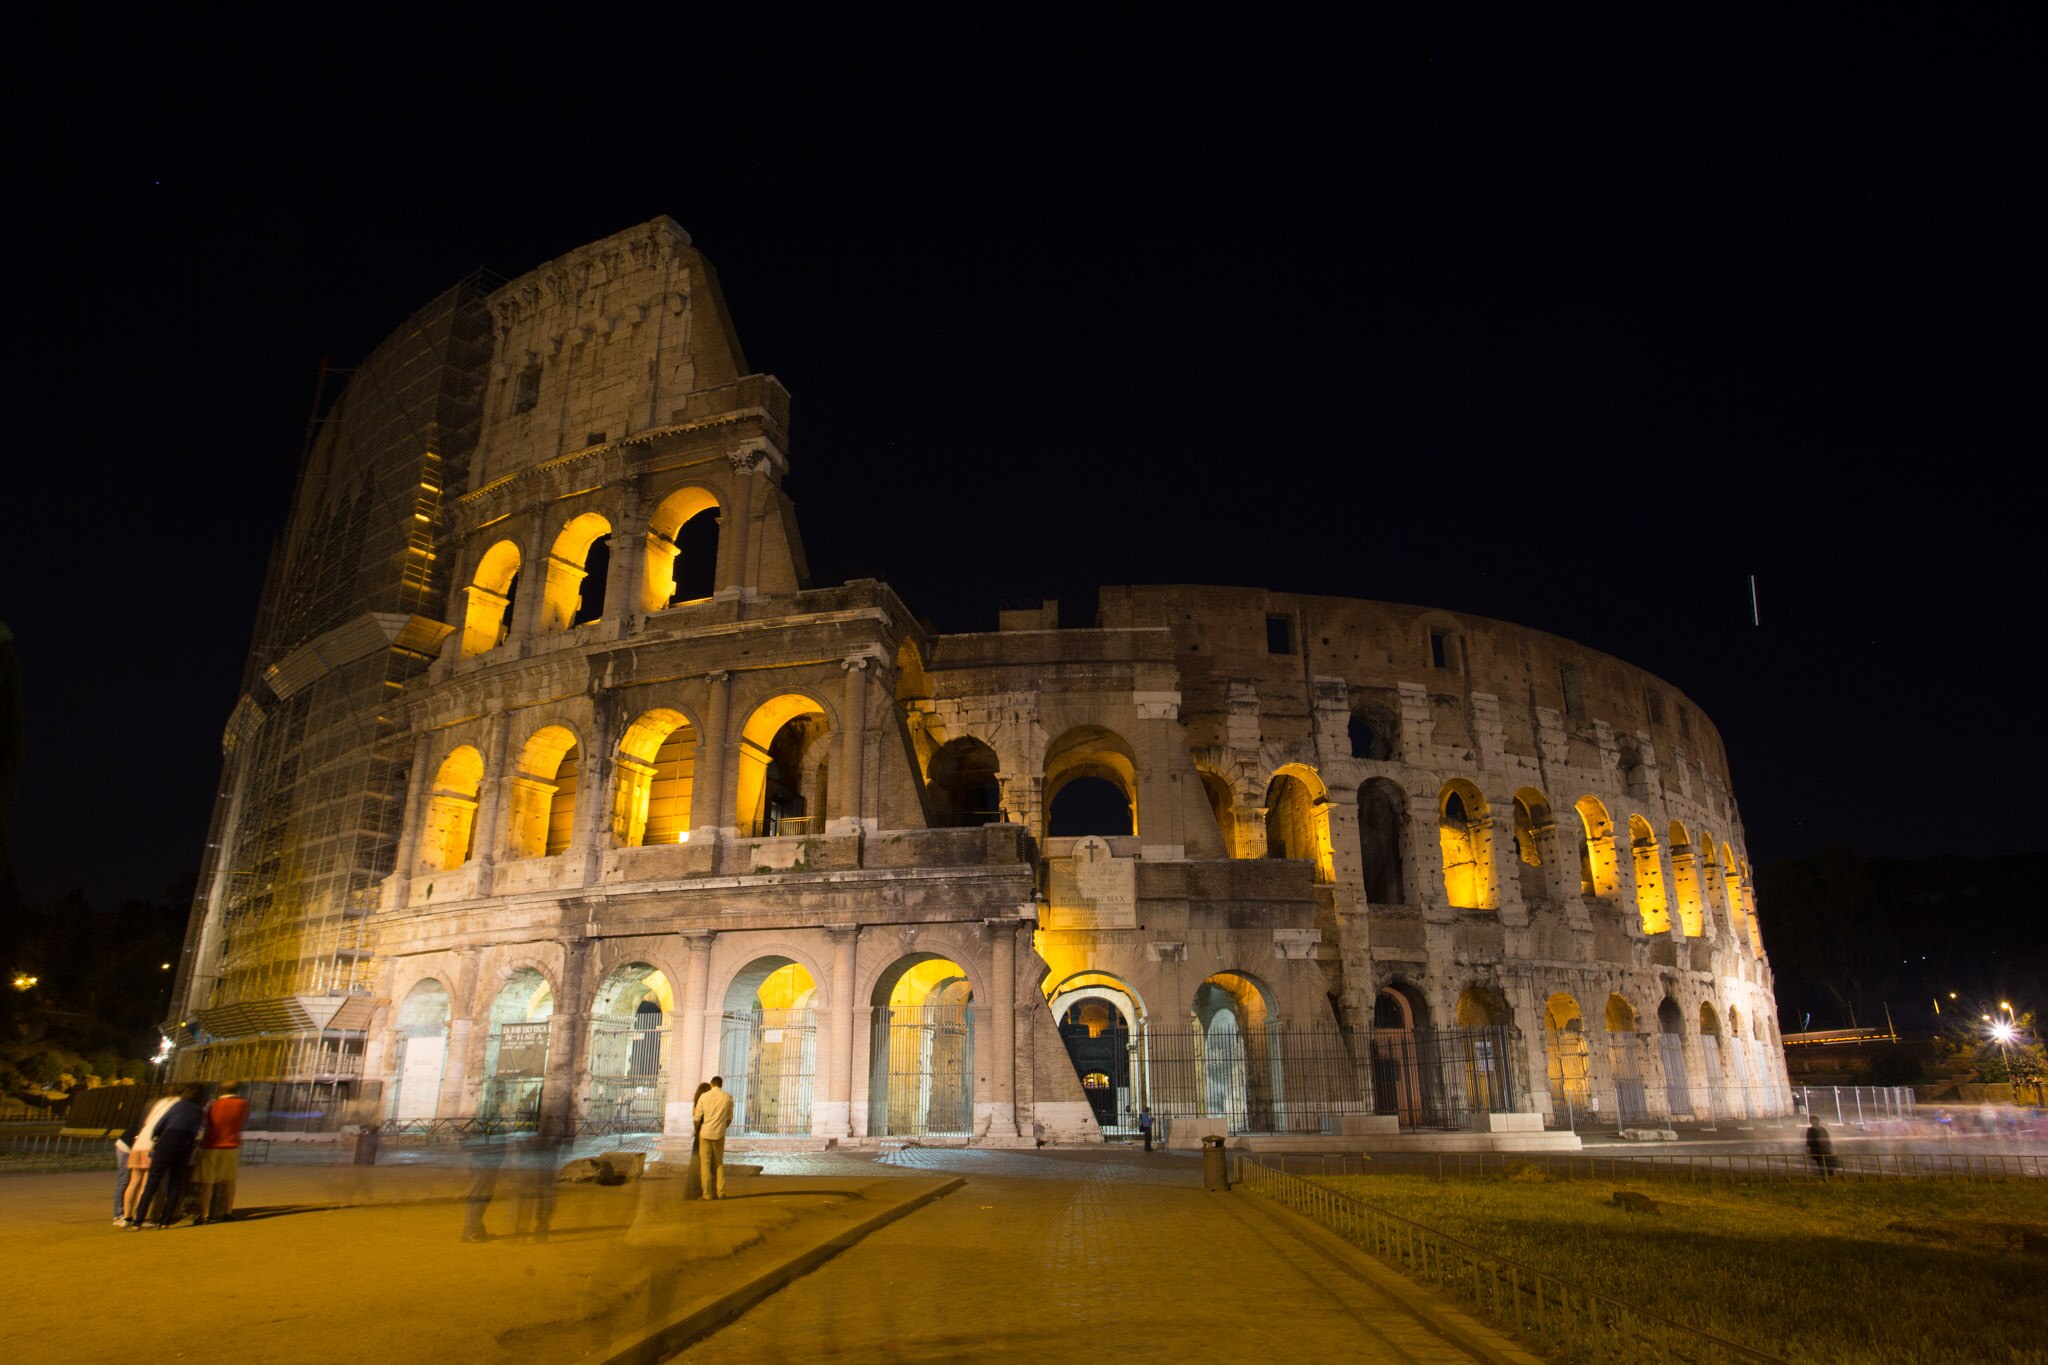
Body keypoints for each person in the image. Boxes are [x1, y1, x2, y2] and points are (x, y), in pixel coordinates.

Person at [136, 1084, 208, 1227]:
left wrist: (155, 1137)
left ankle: (138, 1221)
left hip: (167, 1141)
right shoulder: (199, 1111)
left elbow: (161, 1124)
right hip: (186, 1144)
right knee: (175, 1183)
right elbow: (198, 1130)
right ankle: (166, 1221)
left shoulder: (178, 1105)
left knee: (153, 1181)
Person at [192, 1080, 249, 1224]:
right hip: (231, 1144)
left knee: (207, 1181)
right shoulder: (242, 1104)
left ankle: (204, 1214)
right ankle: (227, 1212)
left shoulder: (213, 1104)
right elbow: (243, 1121)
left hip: (212, 1144)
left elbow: (206, 1123)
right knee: (230, 1180)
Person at [123, 1093, 179, 1227]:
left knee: (133, 1182)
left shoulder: (156, 1106)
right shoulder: (173, 1109)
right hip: (150, 1147)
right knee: (145, 1184)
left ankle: (126, 1218)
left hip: (138, 1145)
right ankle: (140, 1216)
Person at [691, 1075, 736, 1200]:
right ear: (721, 1085)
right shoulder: (727, 1097)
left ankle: (707, 1194)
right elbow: (730, 1119)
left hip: (705, 1133)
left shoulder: (704, 1096)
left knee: (705, 1164)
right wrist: (722, 1127)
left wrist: (697, 1128)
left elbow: (696, 1118)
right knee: (719, 1163)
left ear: (711, 1084)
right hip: (719, 1134)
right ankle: (721, 1192)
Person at [1805, 1116, 1837, 1181]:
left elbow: (1809, 1141)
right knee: (1828, 1165)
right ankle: (1831, 1178)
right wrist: (1831, 1149)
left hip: (1818, 1151)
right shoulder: (1822, 1129)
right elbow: (1828, 1140)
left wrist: (1809, 1150)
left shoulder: (1810, 1130)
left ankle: (1825, 1179)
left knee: (1821, 1165)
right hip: (1825, 1150)